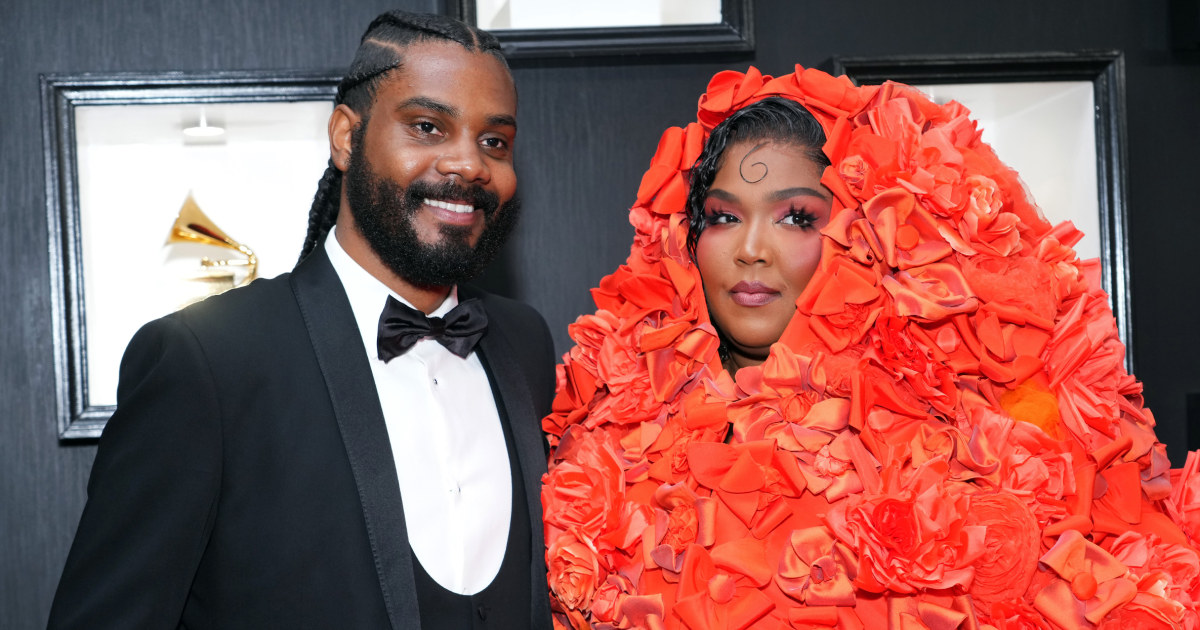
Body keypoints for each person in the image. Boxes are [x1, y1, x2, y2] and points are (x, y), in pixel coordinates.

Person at [542, 67, 1200, 628]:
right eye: (723, 216)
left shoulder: (968, 439)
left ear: (862, 233)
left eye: (796, 216)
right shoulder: (614, 436)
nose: (749, 249)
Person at [48, 10, 554, 629]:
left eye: (494, 141)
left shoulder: (525, 346)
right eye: (427, 126)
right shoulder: (204, 361)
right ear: (346, 135)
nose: (469, 165)